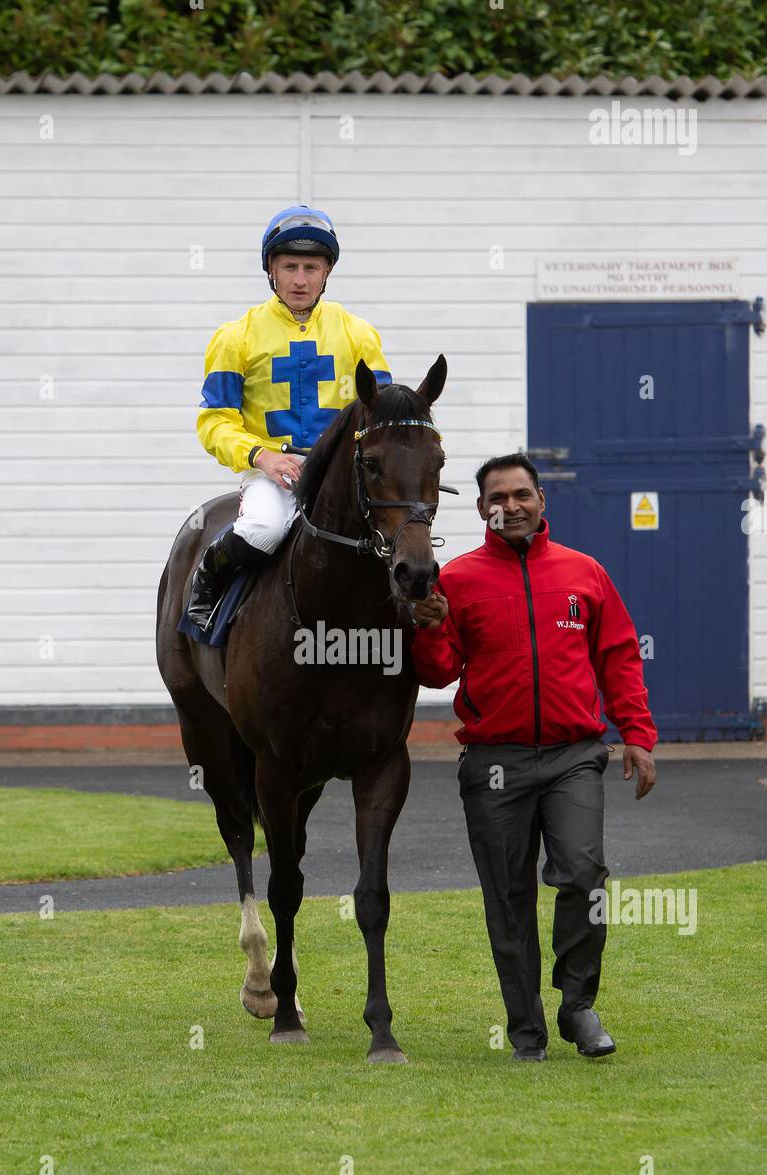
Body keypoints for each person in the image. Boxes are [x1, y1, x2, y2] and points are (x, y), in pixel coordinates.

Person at [411, 453, 658, 1062]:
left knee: (584, 872)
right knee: (508, 896)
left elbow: (620, 655)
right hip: (494, 763)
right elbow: (439, 673)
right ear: (481, 510)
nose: (512, 506)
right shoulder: (458, 580)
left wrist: (638, 734)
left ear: (542, 501)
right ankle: (527, 1032)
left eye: (523, 494)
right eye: (499, 497)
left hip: (575, 756)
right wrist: (428, 626)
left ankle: (577, 1007)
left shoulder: (585, 573)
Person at [186, 205, 392, 630]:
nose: (301, 279)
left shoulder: (359, 335)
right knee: (262, 528)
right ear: (271, 271)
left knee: (398, 535)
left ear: (326, 272)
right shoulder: (234, 337)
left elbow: (382, 415)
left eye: (311, 267)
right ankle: (206, 585)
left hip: (343, 471)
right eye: (290, 266)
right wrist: (261, 457)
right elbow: (215, 422)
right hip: (275, 471)